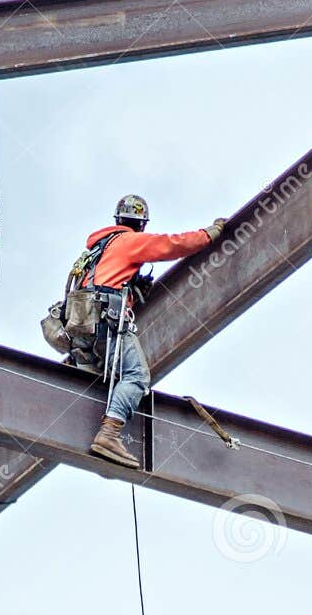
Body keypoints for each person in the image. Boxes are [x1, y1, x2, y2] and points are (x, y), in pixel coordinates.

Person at [79, 194, 226, 468]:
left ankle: (106, 419)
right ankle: (109, 434)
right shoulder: (129, 240)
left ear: (118, 219)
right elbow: (170, 245)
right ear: (141, 224)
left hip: (85, 330)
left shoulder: (96, 250)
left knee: (112, 374)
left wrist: (131, 290)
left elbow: (100, 284)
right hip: (107, 321)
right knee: (136, 376)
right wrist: (209, 234)